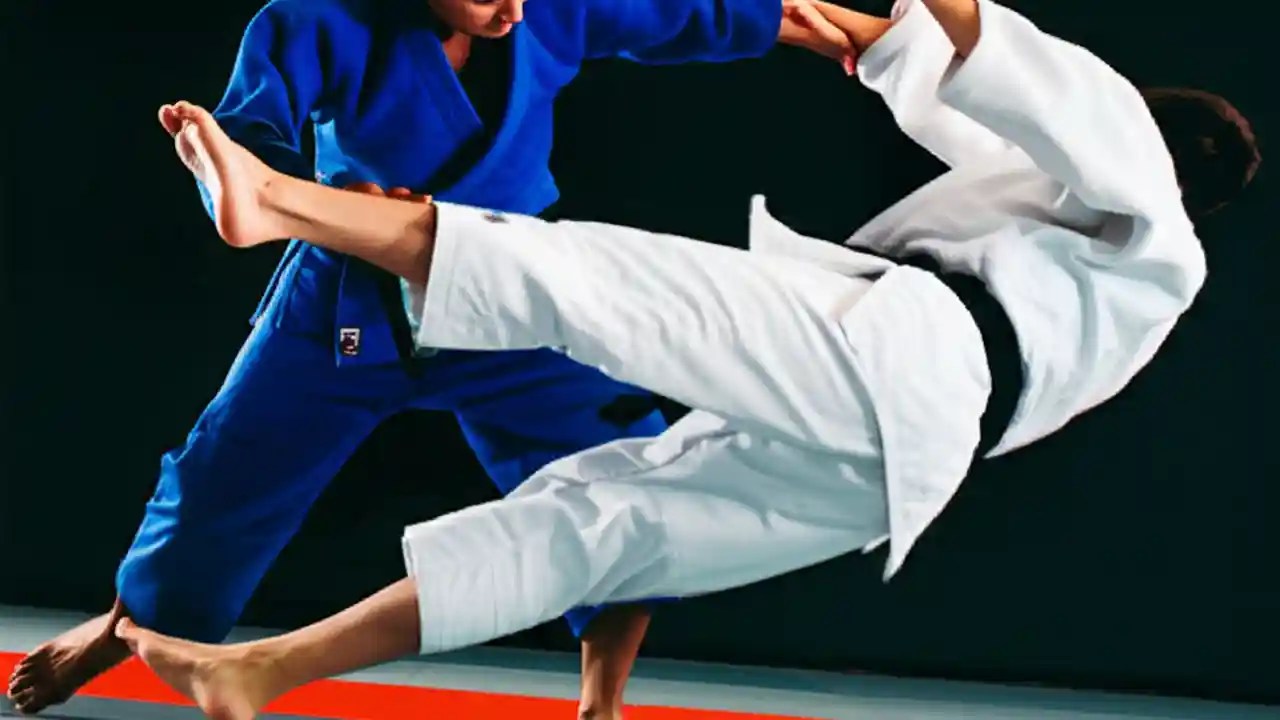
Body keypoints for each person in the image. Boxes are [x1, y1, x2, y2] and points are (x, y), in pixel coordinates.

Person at [25, 0, 1265, 717]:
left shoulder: (1141, 198)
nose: (512, 7)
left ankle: (281, 206)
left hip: (893, 352)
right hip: (905, 460)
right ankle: (262, 668)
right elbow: (965, 104)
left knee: (589, 287)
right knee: (608, 520)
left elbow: (1016, 75)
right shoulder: (1107, 260)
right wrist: (849, 36)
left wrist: (877, 24)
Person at [5, 1, 862, 717]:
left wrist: (859, 31)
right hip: (351, 299)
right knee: (221, 483)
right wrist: (312, 194)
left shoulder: (548, 9)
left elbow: (703, 8)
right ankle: (121, 628)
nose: (516, 10)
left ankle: (602, 705)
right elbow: (250, 133)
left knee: (628, 474)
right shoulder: (318, 19)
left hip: (511, 297)